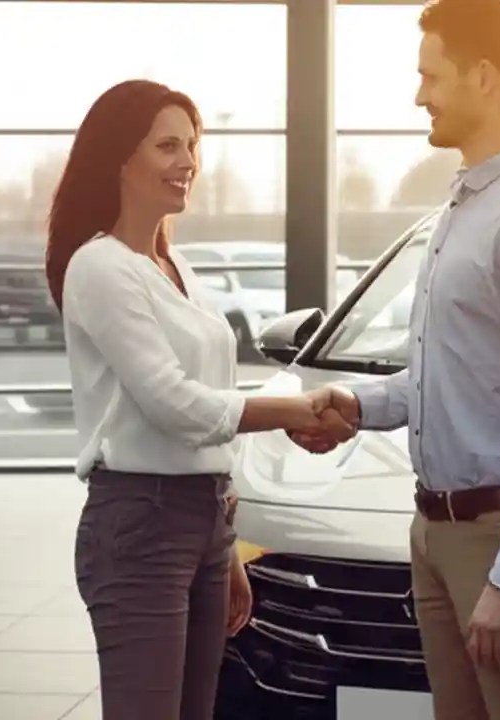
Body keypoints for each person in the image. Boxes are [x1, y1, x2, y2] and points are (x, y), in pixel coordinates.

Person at [296, 1, 500, 717]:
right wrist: (362, 405)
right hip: (435, 532)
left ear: (485, 77)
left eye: (431, 75)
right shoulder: (463, 207)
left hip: (494, 538)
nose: (418, 95)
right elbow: (454, 375)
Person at [46, 79, 353, 720]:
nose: (188, 162)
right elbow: (174, 404)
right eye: (167, 145)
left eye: (192, 145)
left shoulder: (176, 267)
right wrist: (292, 411)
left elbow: (206, 405)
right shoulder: (99, 267)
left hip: (203, 521)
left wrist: (227, 541)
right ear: (119, 159)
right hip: (140, 523)